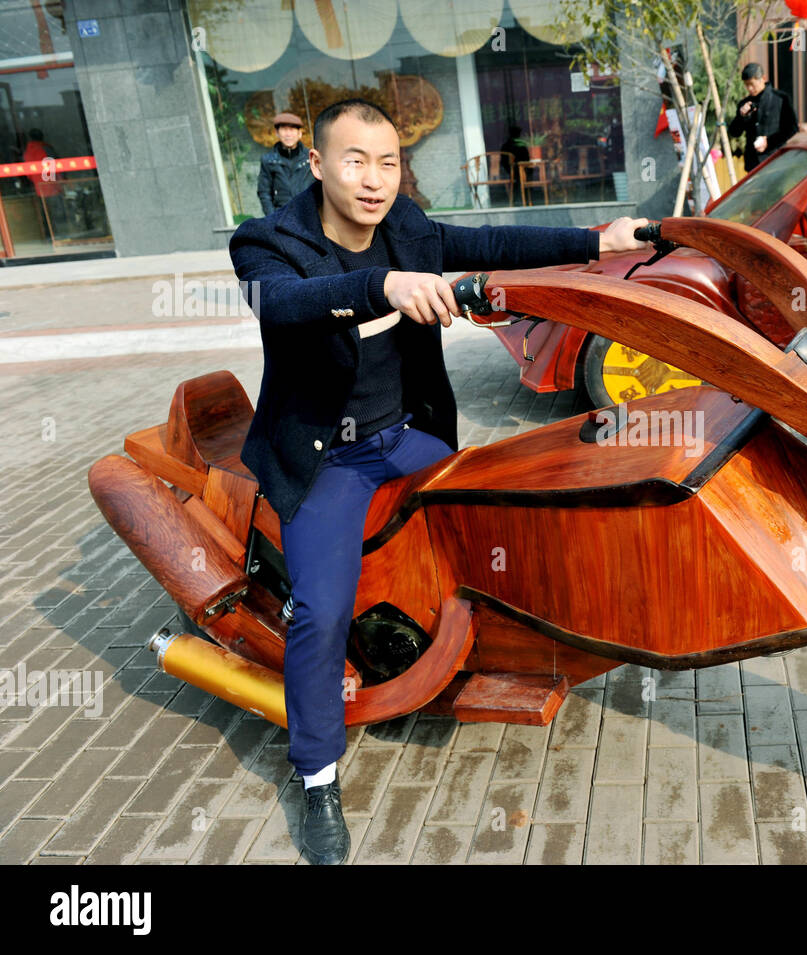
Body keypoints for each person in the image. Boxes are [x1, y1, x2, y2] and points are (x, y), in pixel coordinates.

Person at [228, 98, 648, 864]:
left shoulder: (407, 225)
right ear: (317, 163)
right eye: (354, 160)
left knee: (512, 512)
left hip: (407, 436)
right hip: (327, 459)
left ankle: (511, 643)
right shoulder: (267, 241)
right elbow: (280, 305)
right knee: (320, 613)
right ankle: (316, 773)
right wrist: (381, 287)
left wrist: (600, 239)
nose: (374, 178)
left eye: (388, 161)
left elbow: (485, 239)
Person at [727, 63, 798, 171]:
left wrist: (768, 142)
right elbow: (734, 132)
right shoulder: (745, 103)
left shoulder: (780, 99)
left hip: (776, 160)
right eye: (746, 85)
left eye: (752, 84)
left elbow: (792, 128)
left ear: (763, 79)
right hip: (753, 164)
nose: (749, 88)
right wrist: (741, 116)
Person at [257, 111, 315, 216]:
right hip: (282, 217)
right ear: (277, 133)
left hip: (310, 215)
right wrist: (272, 217)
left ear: (300, 133)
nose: (288, 134)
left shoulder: (311, 158)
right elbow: (264, 193)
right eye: (284, 129)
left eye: (292, 129)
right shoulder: (268, 160)